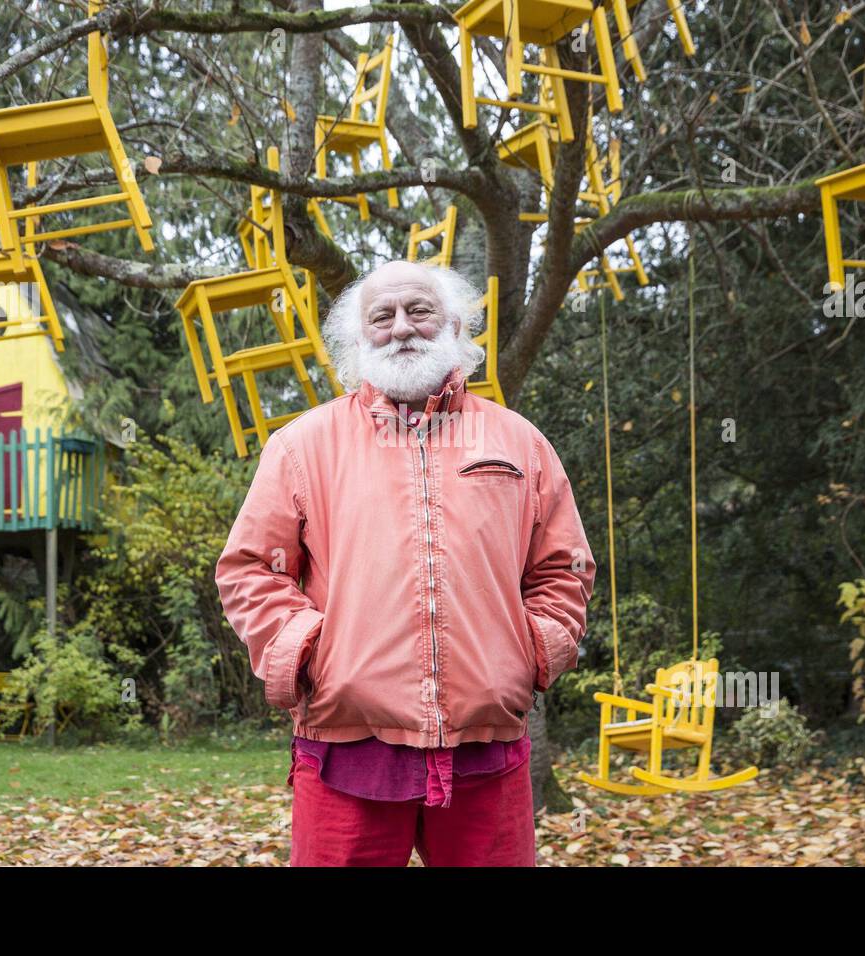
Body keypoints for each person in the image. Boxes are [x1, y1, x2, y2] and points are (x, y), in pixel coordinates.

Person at [215, 260, 596, 866]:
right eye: (381, 316)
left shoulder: (520, 443)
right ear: (357, 337)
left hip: (485, 743)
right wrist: (310, 649)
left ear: (451, 325)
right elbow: (250, 568)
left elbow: (563, 566)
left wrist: (528, 650)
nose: (400, 328)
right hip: (346, 743)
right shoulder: (301, 446)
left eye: (418, 311)